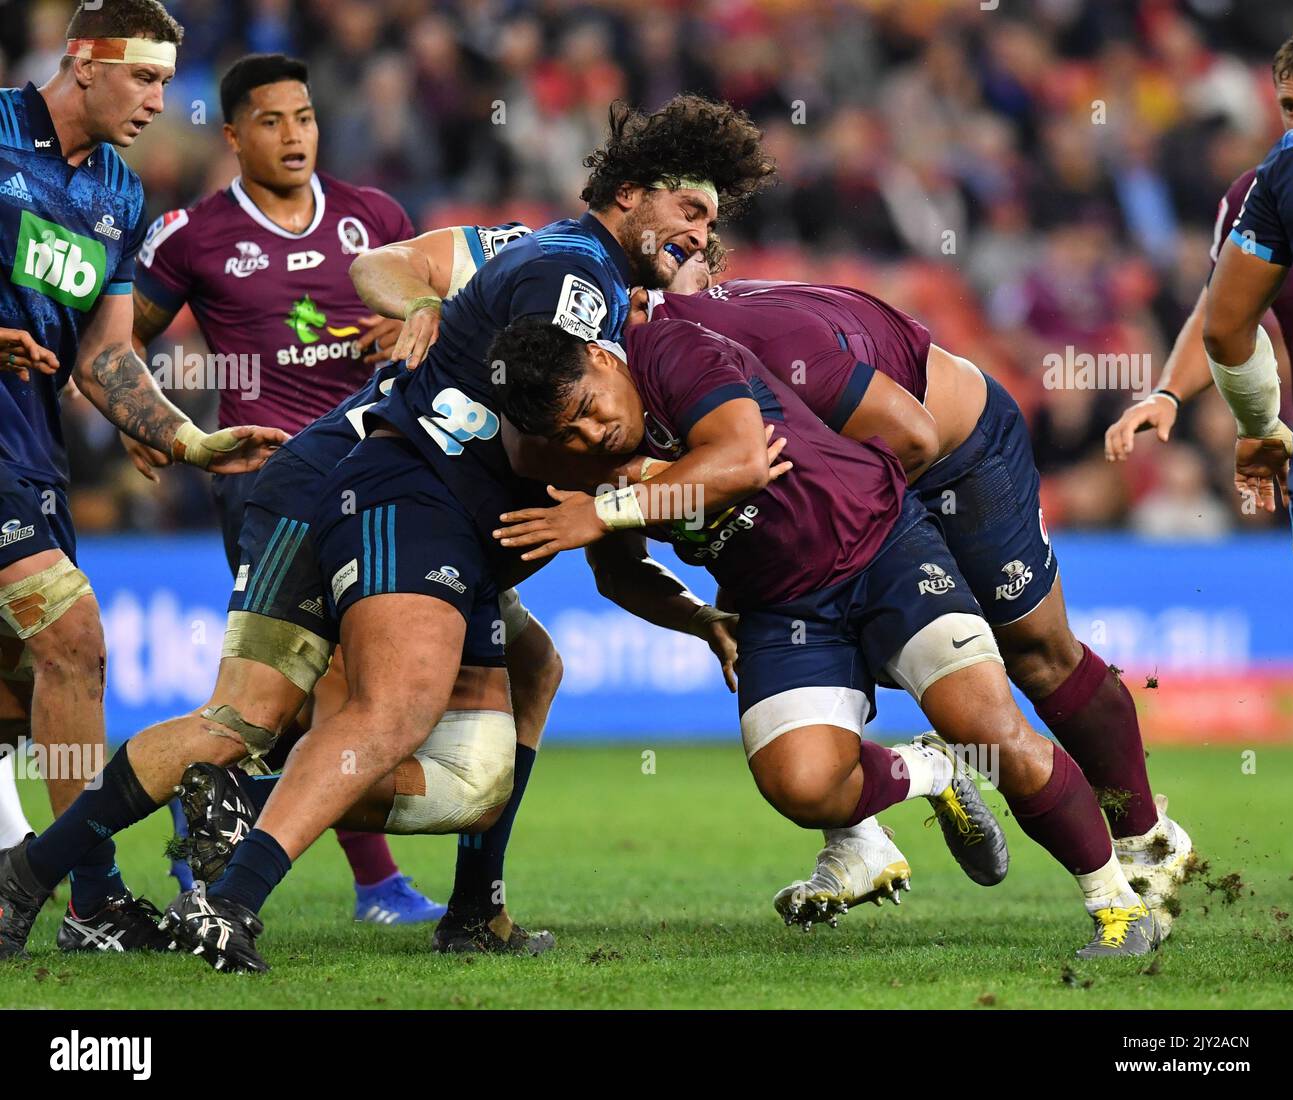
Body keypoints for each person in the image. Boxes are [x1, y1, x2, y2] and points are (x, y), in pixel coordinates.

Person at [159, 94, 778, 973]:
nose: (701, 233)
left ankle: (471, 906)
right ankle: (229, 880)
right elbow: (548, 429)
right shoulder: (575, 281)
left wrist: (664, 568)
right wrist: (638, 484)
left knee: (532, 670)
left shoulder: (569, 264)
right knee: (377, 714)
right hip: (409, 491)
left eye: (713, 220)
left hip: (439, 498)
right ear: (632, 194)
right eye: (689, 209)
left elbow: (585, 493)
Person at [488, 314, 1163, 960]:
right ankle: (934, 771)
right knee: (802, 784)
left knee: (986, 725)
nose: (591, 431)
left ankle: (1120, 906)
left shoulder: (672, 352)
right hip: (781, 606)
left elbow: (742, 461)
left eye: (589, 404)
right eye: (567, 430)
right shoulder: (571, 461)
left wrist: (615, 502)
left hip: (878, 546)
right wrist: (700, 618)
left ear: (603, 360)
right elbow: (620, 569)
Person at [641, 257, 1194, 936]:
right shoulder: (615, 396)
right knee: (808, 626)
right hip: (847, 499)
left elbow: (908, 437)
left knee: (1033, 654)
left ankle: (1148, 841)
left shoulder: (758, 341)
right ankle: (859, 839)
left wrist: (854, 543)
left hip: (948, 453)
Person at [127, 51, 439, 926]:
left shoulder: (374, 218)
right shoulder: (191, 234)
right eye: (271, 120)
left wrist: (413, 318)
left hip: (376, 472)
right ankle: (371, 884)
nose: (294, 134)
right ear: (232, 136)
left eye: (303, 116)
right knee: (319, 680)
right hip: (266, 481)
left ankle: (228, 838)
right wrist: (142, 421)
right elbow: (121, 339)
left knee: (312, 692)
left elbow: (441, 314)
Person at [0, 0, 285, 958]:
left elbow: (107, 355)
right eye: (146, 77)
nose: (164, 99)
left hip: (30, 450)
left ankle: (61, 888)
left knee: (19, 694)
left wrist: (191, 439)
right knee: (74, 639)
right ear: (84, 62)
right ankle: (86, 892)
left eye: (169, 79)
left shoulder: (119, 193)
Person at [1107, 31, 1293, 567]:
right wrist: (1167, 394)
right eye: (1290, 107)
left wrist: (1258, 424)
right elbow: (1219, 318)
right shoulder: (1254, 198)